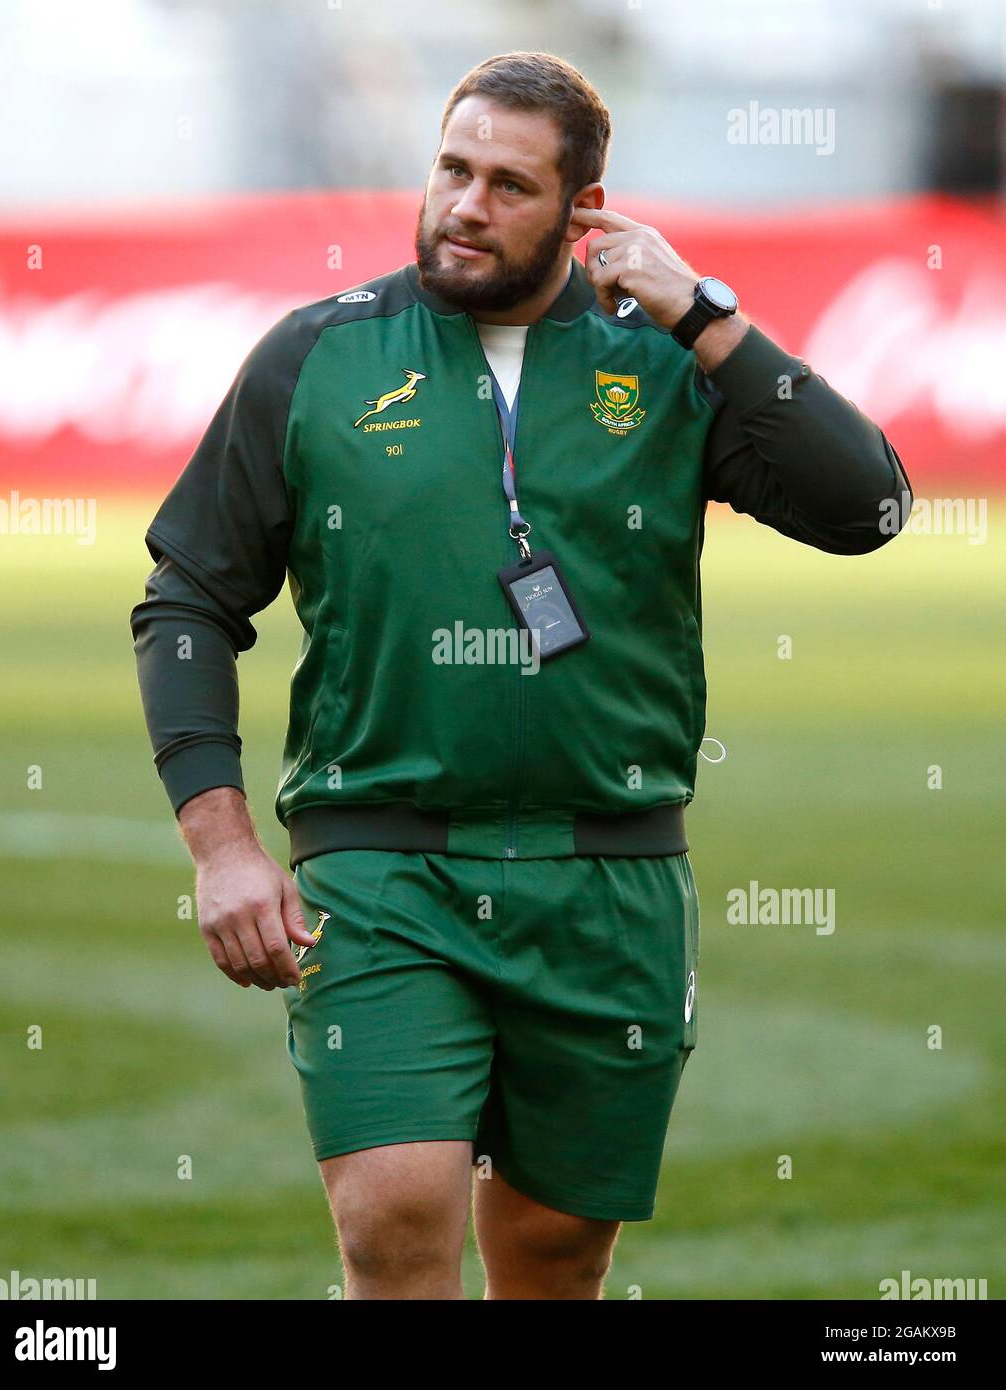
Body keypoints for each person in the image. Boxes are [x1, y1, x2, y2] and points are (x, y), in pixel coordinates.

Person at [132, 51, 911, 1300]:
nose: (464, 204)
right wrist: (221, 845)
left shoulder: (661, 363)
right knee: (393, 1218)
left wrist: (704, 315)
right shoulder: (315, 358)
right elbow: (188, 600)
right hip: (382, 863)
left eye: (508, 182)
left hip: (612, 876)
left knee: (552, 1263)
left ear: (585, 209)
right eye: (452, 168)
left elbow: (867, 504)